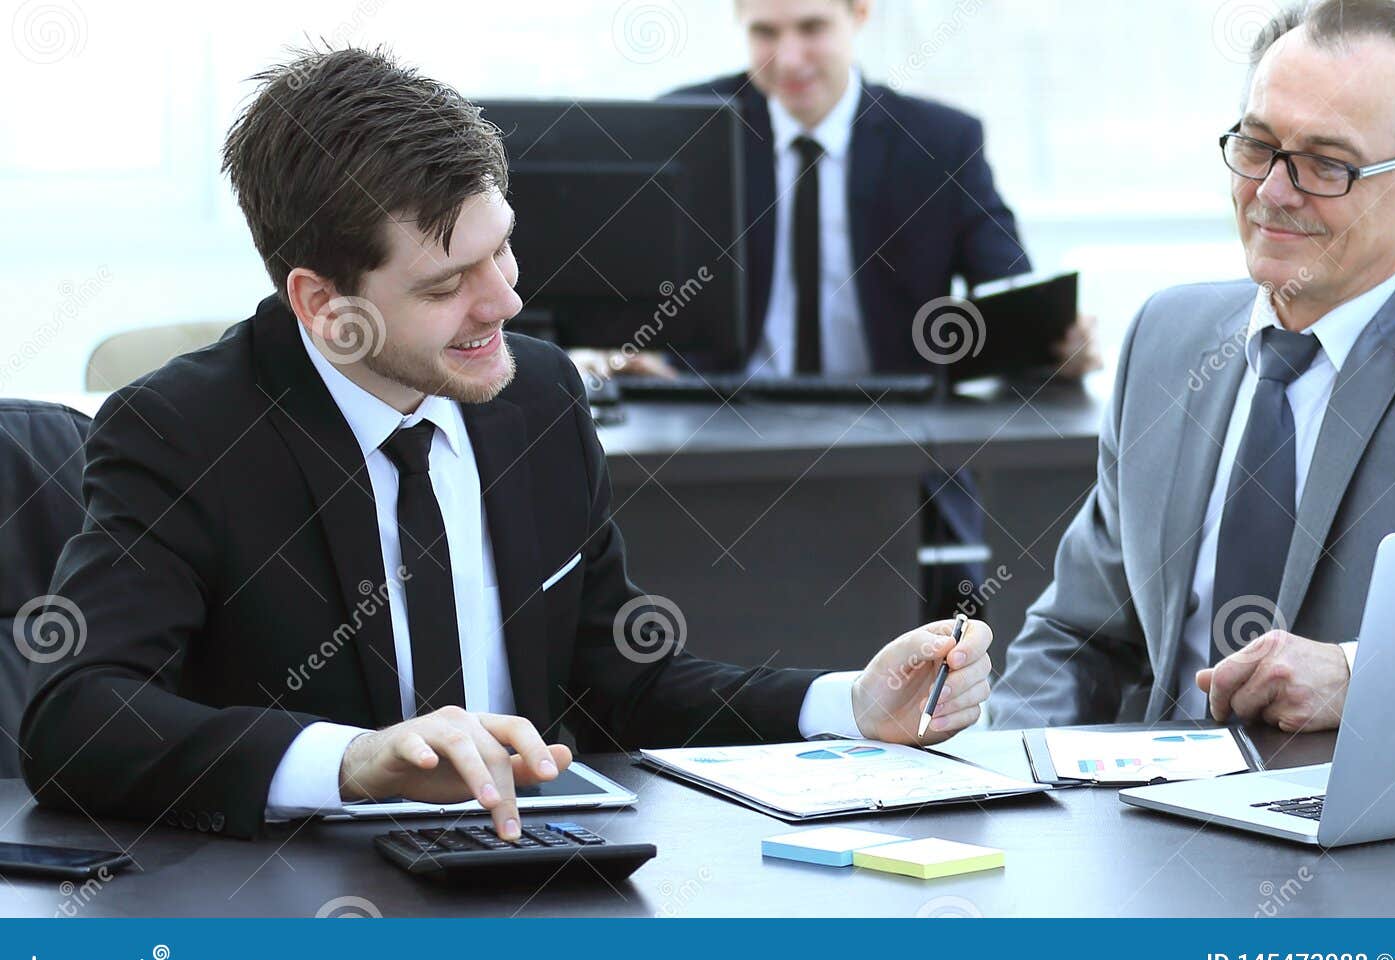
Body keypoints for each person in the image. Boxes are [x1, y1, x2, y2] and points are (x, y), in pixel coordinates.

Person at [19, 46, 995, 842]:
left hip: (530, 882)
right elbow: (76, 720)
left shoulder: (535, 396)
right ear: (323, 304)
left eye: (505, 248)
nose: (508, 302)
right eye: (449, 283)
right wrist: (352, 763)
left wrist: (845, 708)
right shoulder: (183, 430)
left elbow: (620, 685)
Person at [989, 0, 1395, 732]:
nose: (1272, 192)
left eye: (1327, 164)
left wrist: (1356, 672)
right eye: (1257, 146)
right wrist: (1011, 786)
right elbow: (1073, 637)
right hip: (1142, 810)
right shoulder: (1167, 336)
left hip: (1356, 822)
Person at [575, 0, 1099, 621]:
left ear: (859, 16)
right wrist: (617, 347)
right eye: (765, 32)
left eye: (811, 28)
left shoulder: (939, 140)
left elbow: (1010, 296)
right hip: (717, 441)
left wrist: (1055, 349)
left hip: (894, 451)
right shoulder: (688, 127)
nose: (789, 57)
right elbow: (615, 294)